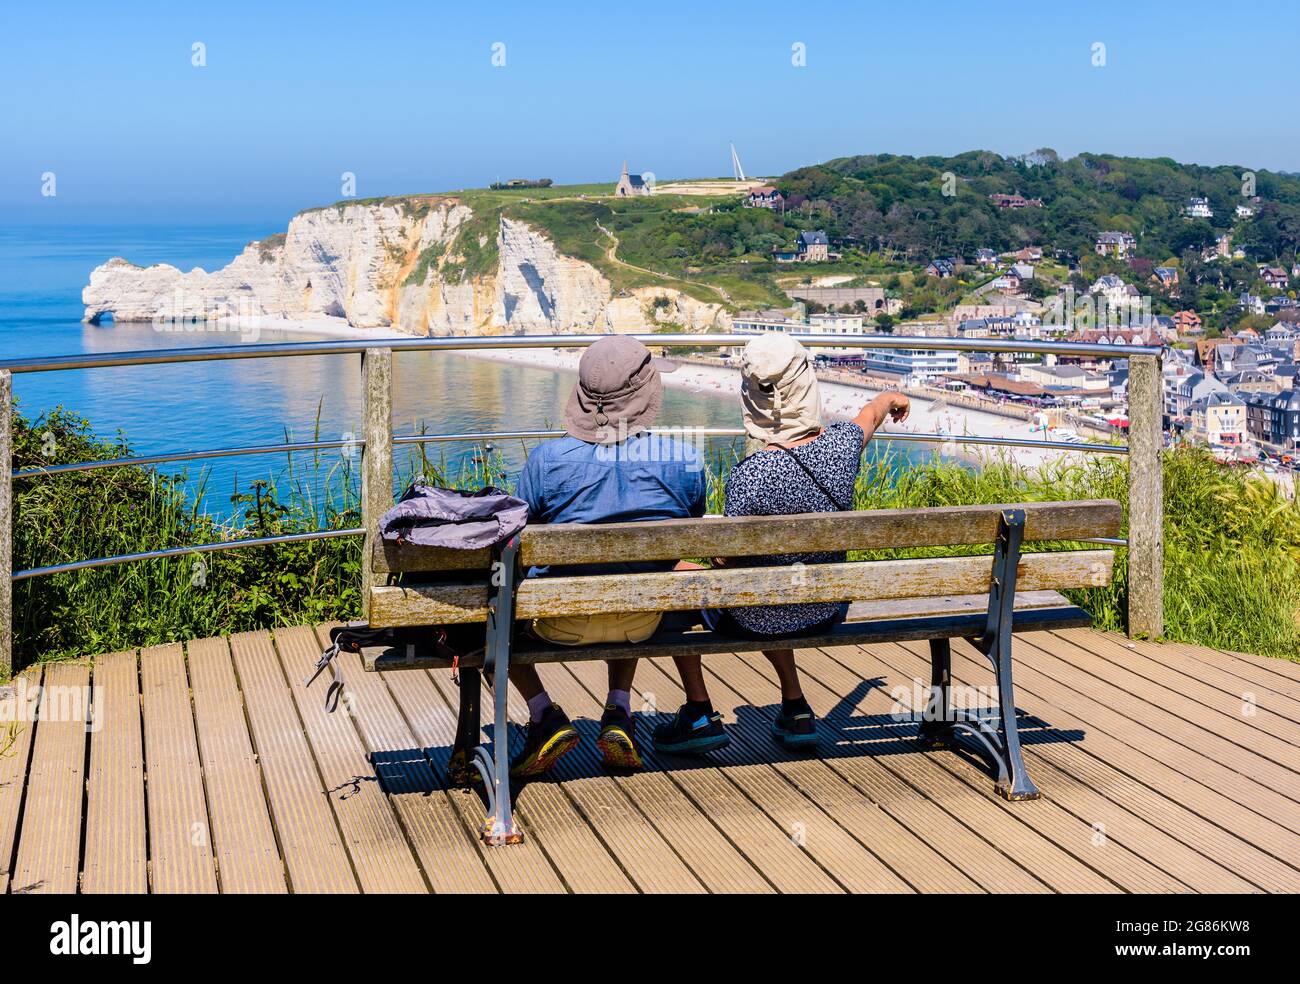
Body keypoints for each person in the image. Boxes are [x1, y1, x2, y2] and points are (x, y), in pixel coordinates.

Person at [653, 333, 909, 755]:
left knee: (680, 578)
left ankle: (699, 712)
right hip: (826, 608)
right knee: (778, 584)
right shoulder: (843, 447)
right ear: (807, 390)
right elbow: (870, 415)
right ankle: (796, 707)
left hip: (760, 614)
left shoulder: (748, 476)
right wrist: (890, 397)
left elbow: (728, 559)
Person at [509, 335, 706, 778]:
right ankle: (618, 710)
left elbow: (515, 545)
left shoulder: (545, 461)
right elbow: (690, 542)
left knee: (493, 603)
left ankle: (543, 713)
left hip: (556, 623)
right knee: (637, 578)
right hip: (644, 621)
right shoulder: (685, 460)